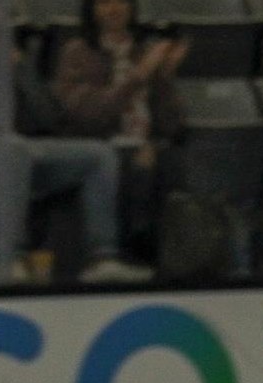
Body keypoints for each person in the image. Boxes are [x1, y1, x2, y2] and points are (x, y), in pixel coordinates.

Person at [0, 0, 153, 285]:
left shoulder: (13, 61)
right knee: (13, 148)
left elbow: (50, 118)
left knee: (98, 154)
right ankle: (12, 257)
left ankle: (102, 258)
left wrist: (21, 69)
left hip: (18, 148)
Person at [53, 0, 190, 266]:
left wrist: (165, 77)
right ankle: (134, 255)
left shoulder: (144, 51)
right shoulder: (77, 53)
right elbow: (88, 114)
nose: (114, 8)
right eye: (104, 2)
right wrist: (138, 77)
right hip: (99, 145)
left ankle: (178, 262)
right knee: (133, 166)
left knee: (174, 160)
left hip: (147, 144)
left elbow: (172, 125)